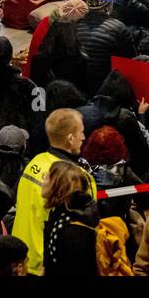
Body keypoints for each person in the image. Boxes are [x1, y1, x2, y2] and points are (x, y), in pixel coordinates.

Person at [13, 108, 96, 275]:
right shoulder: (77, 178)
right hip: (46, 263)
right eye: (81, 132)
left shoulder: (34, 163)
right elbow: (84, 229)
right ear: (70, 138)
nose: (84, 137)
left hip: (21, 257)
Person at [40, 159, 102, 277]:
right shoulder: (58, 217)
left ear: (59, 186)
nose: (42, 181)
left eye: (47, 177)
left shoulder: (73, 231)